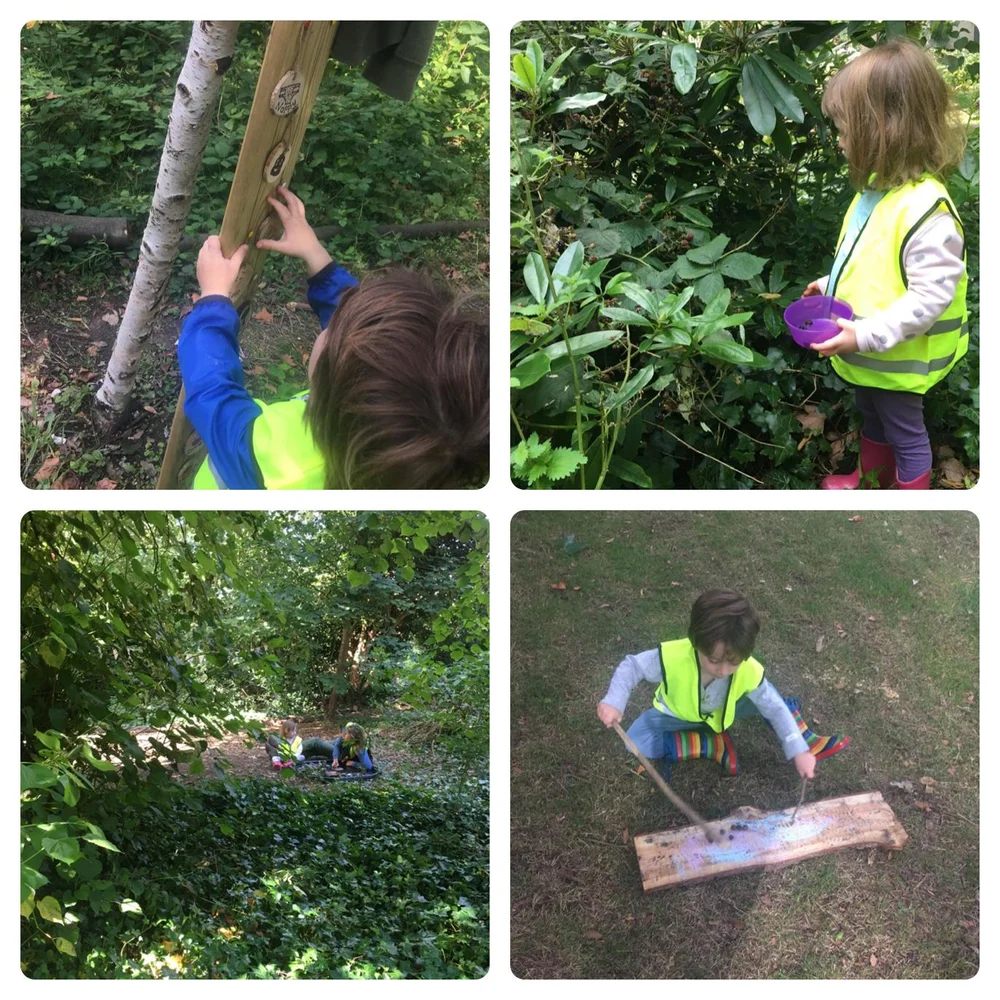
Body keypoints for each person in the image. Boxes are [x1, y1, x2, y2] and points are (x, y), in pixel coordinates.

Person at [178, 187, 489, 489]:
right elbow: (363, 335)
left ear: (334, 379)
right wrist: (316, 257)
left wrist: (213, 298)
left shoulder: (272, 461)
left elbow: (211, 391)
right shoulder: (395, 451)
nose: (331, 326)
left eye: (333, 333)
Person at [800, 38, 969, 490]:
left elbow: (930, 297)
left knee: (906, 434)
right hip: (872, 352)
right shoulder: (876, 193)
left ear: (885, 129)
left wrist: (864, 334)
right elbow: (868, 258)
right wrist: (829, 283)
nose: (838, 141)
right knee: (870, 415)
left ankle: (907, 501)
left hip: (897, 356)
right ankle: (870, 477)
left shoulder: (927, 213)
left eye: (845, 130)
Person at [596, 589, 848, 778]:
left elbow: (771, 705)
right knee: (635, 741)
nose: (723, 671)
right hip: (679, 715)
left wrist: (797, 748)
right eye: (714, 661)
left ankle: (803, 737)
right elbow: (633, 666)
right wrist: (614, 701)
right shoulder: (673, 657)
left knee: (771, 700)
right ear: (696, 642)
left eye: (733, 662)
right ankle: (711, 742)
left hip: (731, 707)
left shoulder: (745, 669)